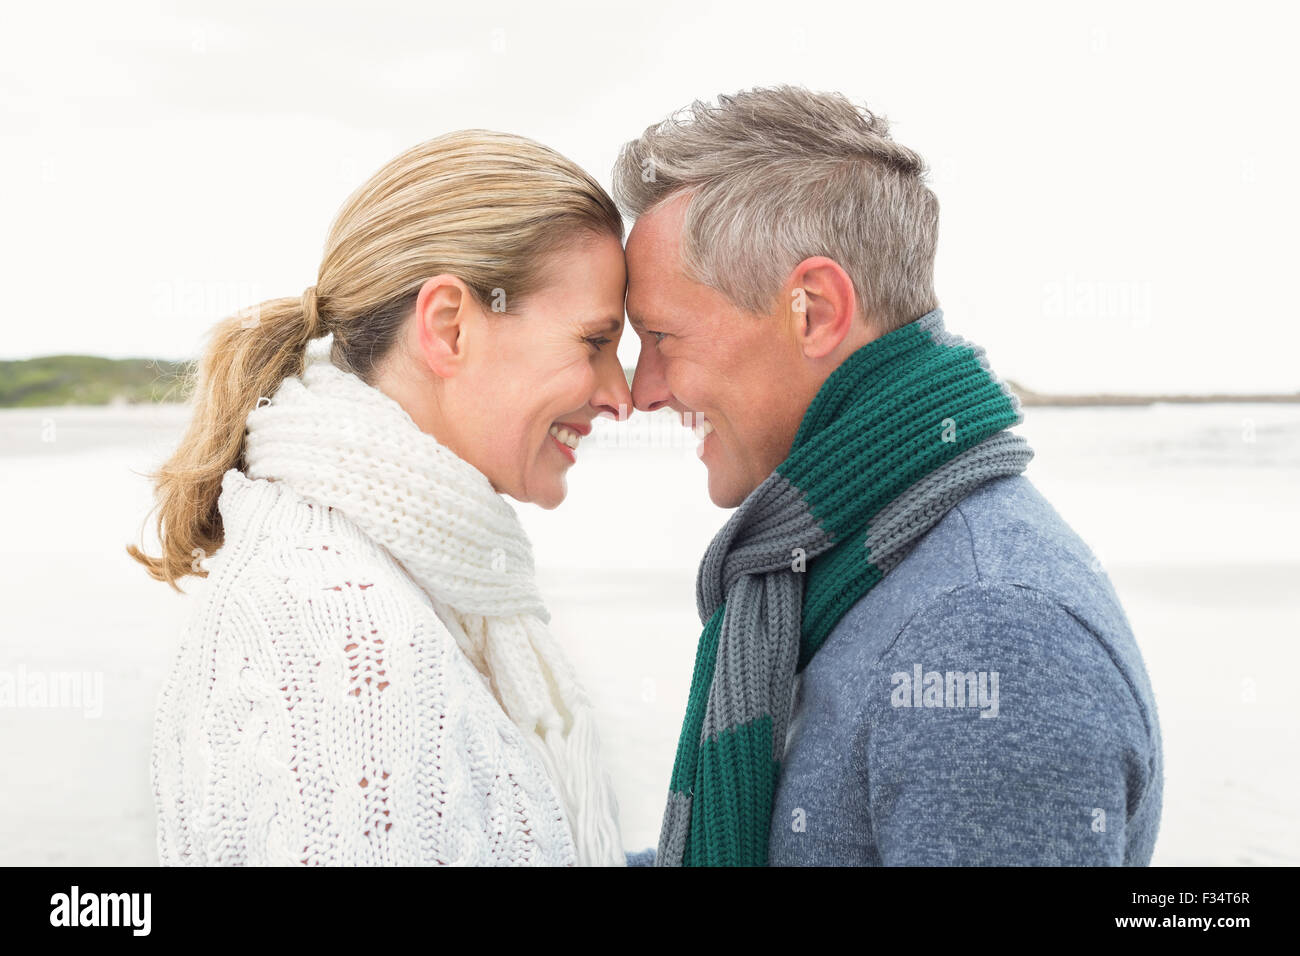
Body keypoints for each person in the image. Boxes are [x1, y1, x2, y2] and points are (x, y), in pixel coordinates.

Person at [612, 86, 1164, 866]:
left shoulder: (987, 633)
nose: (644, 390)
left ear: (813, 310)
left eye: (663, 336)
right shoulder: (838, 562)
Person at [130, 129, 637, 866]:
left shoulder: (394, 581)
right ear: (448, 327)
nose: (622, 395)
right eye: (595, 342)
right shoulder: (346, 635)